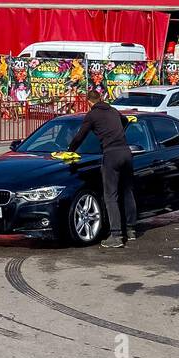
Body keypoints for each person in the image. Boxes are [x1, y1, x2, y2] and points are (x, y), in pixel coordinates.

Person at [67, 89, 137, 249]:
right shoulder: (113, 110)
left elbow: (80, 135)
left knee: (110, 195)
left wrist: (70, 150)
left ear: (88, 101)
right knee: (127, 191)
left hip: (111, 154)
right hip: (126, 152)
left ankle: (116, 235)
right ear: (101, 98)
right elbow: (125, 121)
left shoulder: (92, 115)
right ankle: (131, 230)